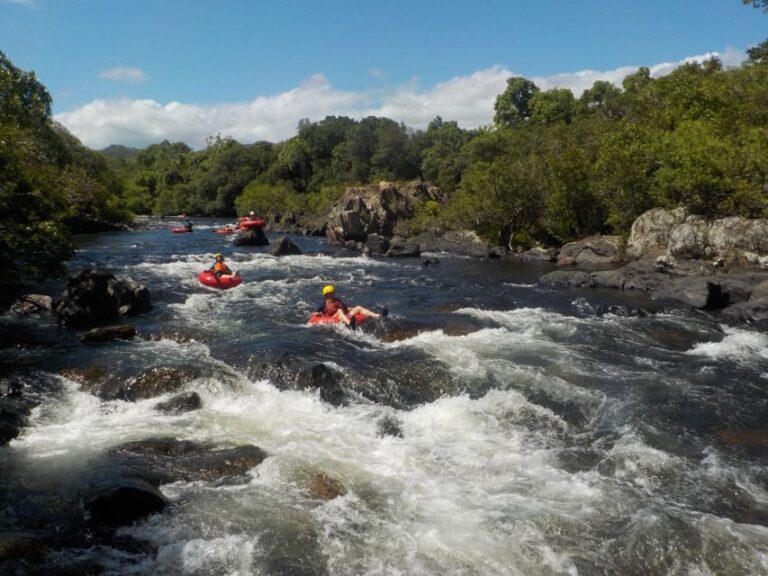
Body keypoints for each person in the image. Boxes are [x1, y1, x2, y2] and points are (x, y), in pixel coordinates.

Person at [313, 284, 384, 327]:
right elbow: (314, 313)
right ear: (325, 295)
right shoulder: (323, 304)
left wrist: (357, 310)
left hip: (345, 316)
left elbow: (346, 308)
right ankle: (349, 324)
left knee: (358, 307)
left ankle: (378, 316)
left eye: (332, 293)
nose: (332, 295)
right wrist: (318, 314)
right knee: (339, 310)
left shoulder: (338, 301)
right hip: (333, 318)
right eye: (330, 293)